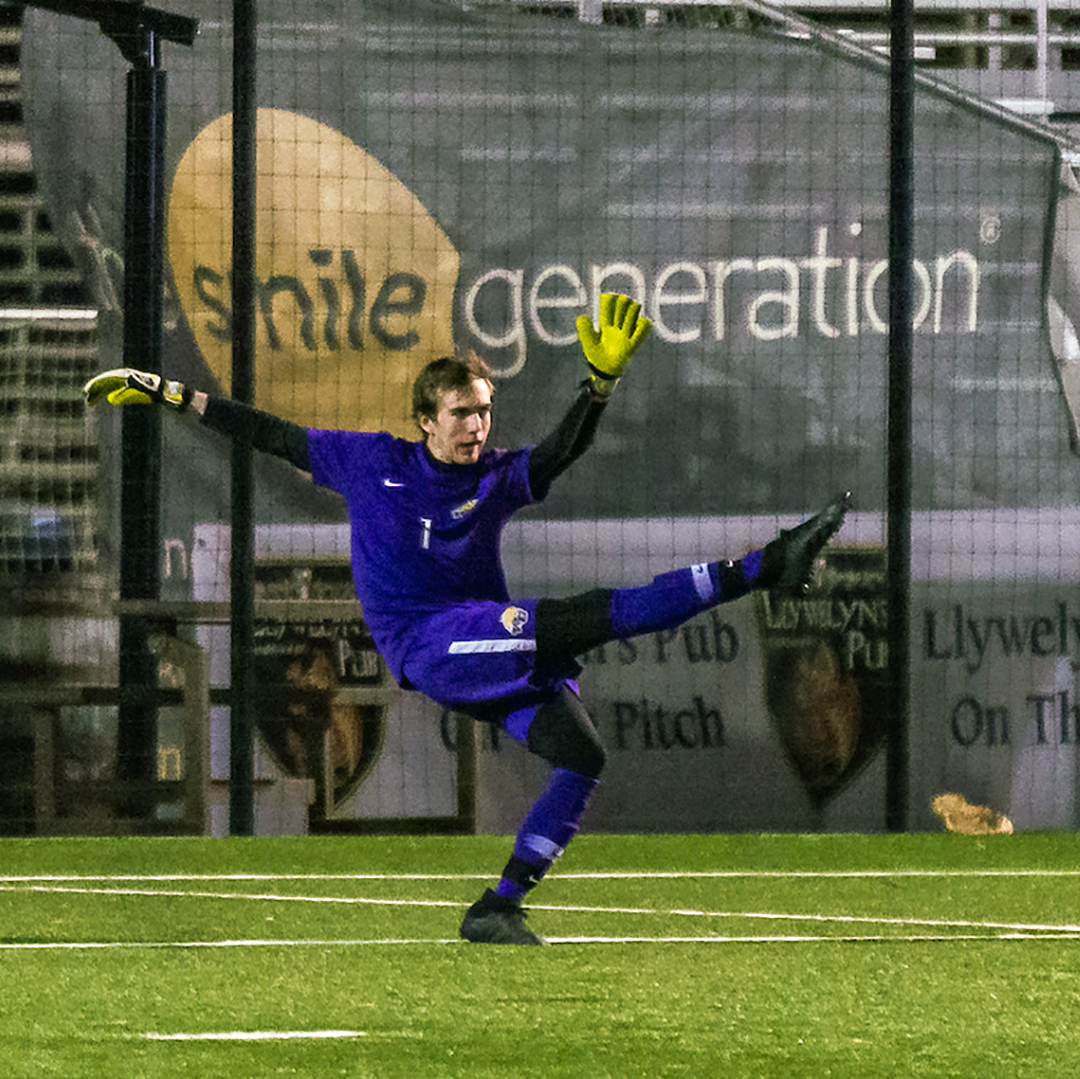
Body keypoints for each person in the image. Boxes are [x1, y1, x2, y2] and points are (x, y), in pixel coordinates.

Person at [85, 292, 849, 945]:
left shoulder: (494, 475)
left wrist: (599, 387)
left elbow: (555, 455)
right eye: (460, 413)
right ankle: (763, 567)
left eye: (483, 412)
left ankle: (498, 906)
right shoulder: (368, 462)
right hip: (427, 642)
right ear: (424, 419)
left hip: (478, 634)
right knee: (590, 616)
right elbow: (267, 431)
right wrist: (168, 392)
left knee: (581, 756)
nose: (475, 426)